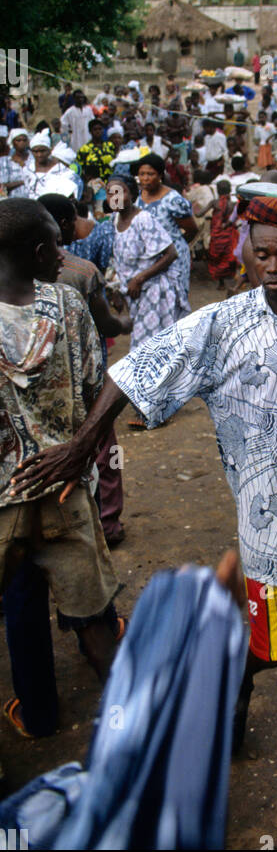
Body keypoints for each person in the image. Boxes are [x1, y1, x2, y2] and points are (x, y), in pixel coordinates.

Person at [16, 195, 277, 780]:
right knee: (270, 647)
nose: (271, 266)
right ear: (247, 252)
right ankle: (230, 710)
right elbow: (134, 372)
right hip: (271, 518)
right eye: (261, 253)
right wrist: (81, 445)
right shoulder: (222, 324)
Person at [0, 200, 123, 739]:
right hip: (64, 487)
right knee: (94, 612)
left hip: (3, 495)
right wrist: (75, 451)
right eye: (54, 244)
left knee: (19, 604)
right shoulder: (68, 307)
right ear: (34, 252)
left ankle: (40, 713)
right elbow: (98, 389)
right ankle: (130, 721)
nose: (62, 252)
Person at [38, 194, 133, 545]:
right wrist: (124, 323)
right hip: (84, 387)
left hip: (41, 399)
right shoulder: (81, 271)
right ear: (63, 225)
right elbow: (106, 325)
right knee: (110, 455)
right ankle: (108, 522)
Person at [108, 176, 179, 348]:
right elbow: (117, 258)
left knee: (147, 347)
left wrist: (140, 278)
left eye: (120, 192)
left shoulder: (143, 219)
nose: (115, 198)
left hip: (153, 292)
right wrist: (116, 289)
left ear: (133, 194)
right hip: (133, 295)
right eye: (111, 194)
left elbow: (170, 254)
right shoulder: (114, 220)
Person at [133, 153, 196, 321]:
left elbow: (192, 229)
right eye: (142, 174)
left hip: (174, 260)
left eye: (150, 174)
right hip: (149, 260)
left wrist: (174, 246)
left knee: (174, 304)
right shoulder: (138, 197)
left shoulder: (173, 200)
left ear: (160, 175)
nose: (145, 179)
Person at [75, 119, 115, 183]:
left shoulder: (109, 145)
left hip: (110, 182)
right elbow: (79, 168)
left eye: (100, 129)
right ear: (90, 131)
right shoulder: (84, 149)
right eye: (95, 129)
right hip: (94, 184)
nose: (98, 131)